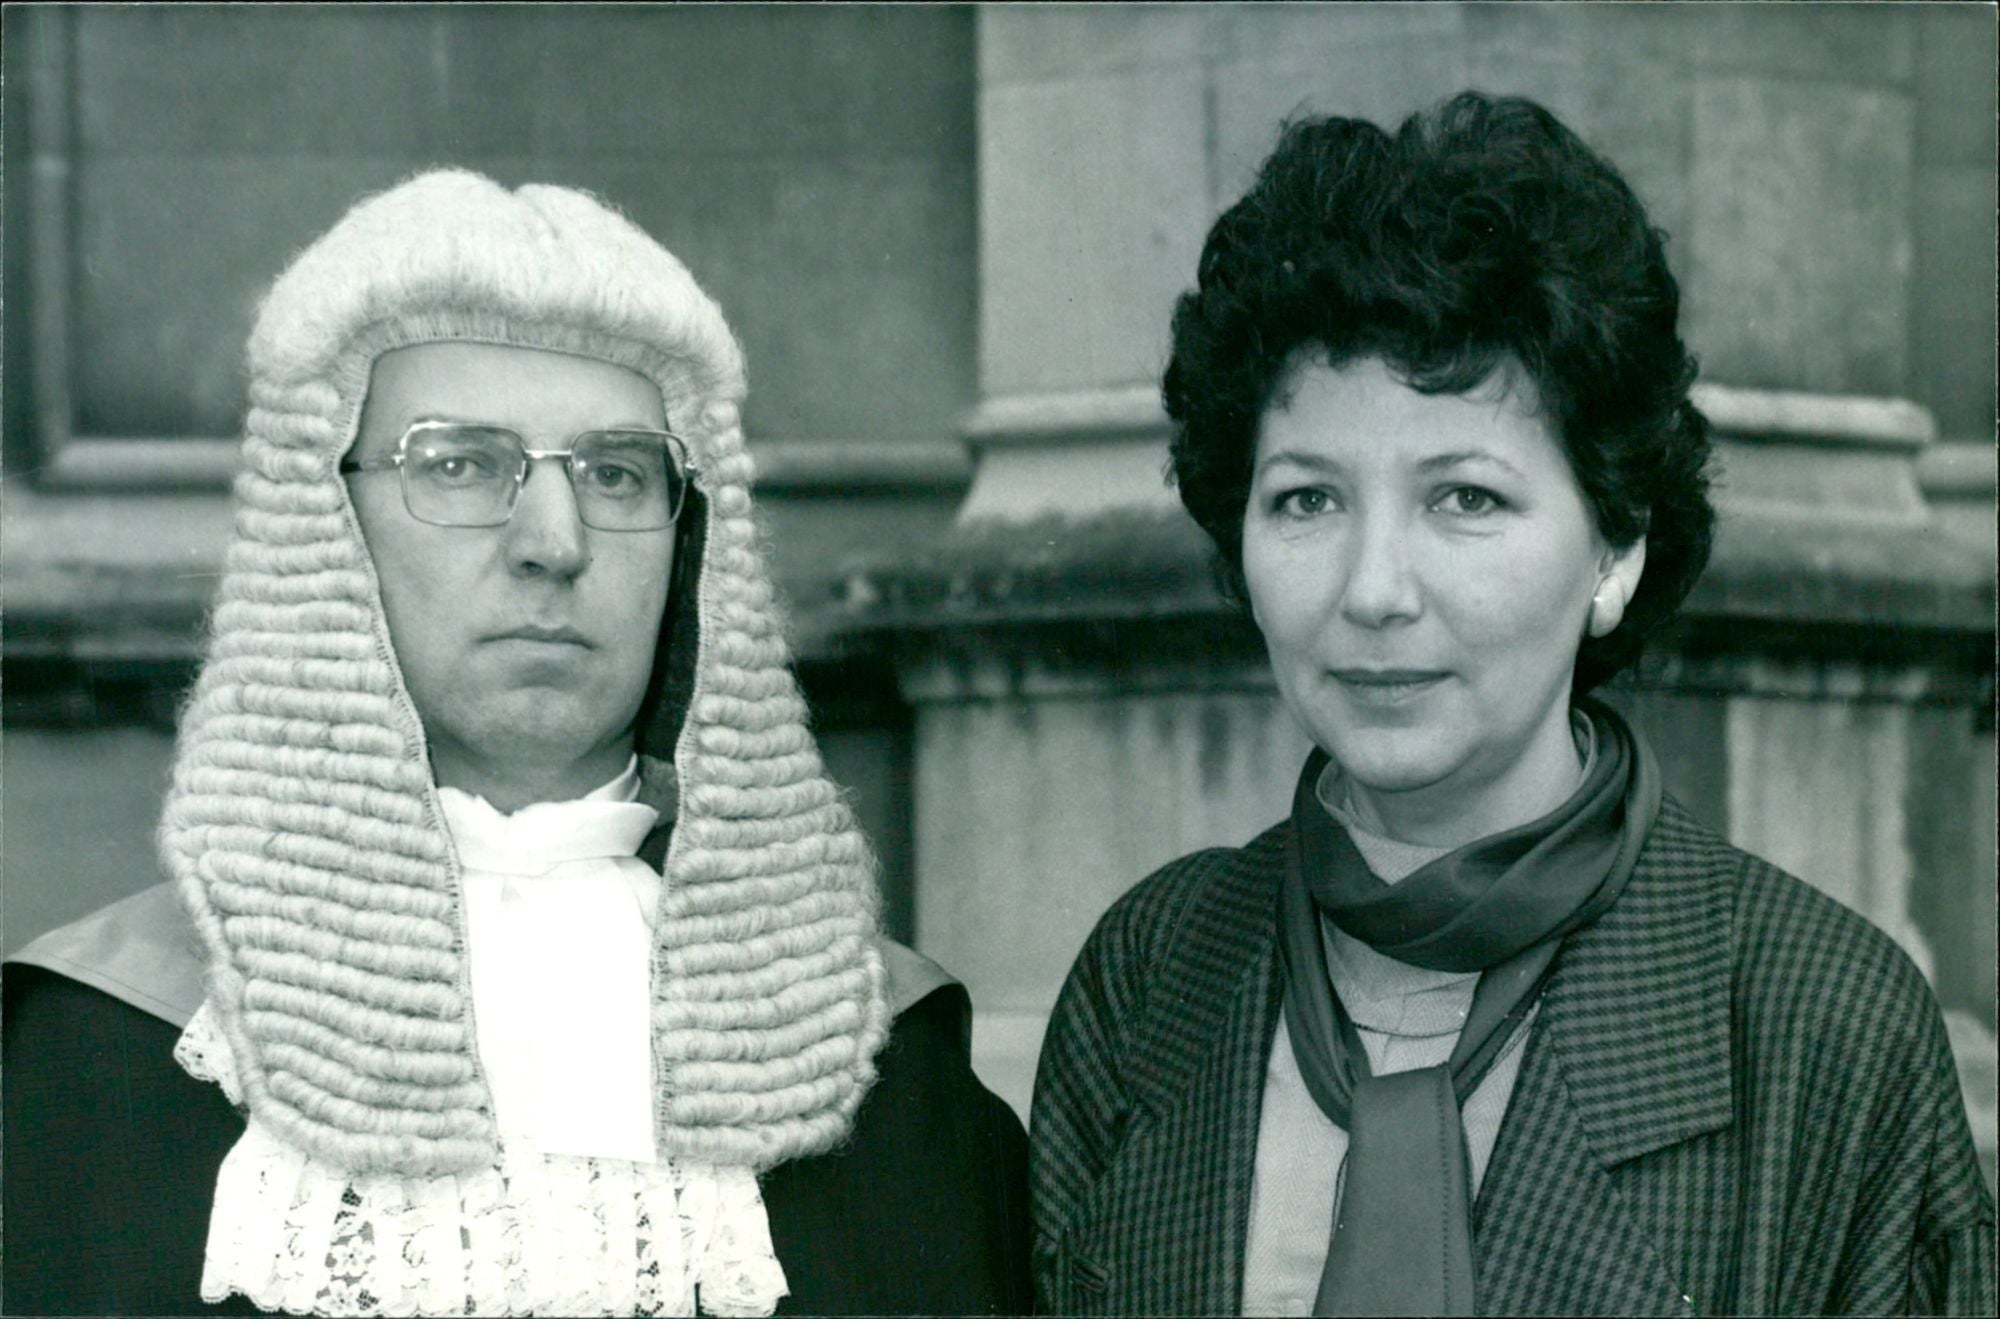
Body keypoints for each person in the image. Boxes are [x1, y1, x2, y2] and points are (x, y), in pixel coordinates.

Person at [1028, 92, 1996, 1317]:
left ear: (1615, 548)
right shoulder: (1152, 975)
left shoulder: (1819, 1026)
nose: (1371, 590)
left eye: (1465, 498)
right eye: (1306, 500)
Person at [3, 170, 1030, 1317]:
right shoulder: (77, 1054)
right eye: (458, 463)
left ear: (691, 551)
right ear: (321, 528)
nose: (554, 539)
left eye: (616, 473)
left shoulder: (893, 1062)